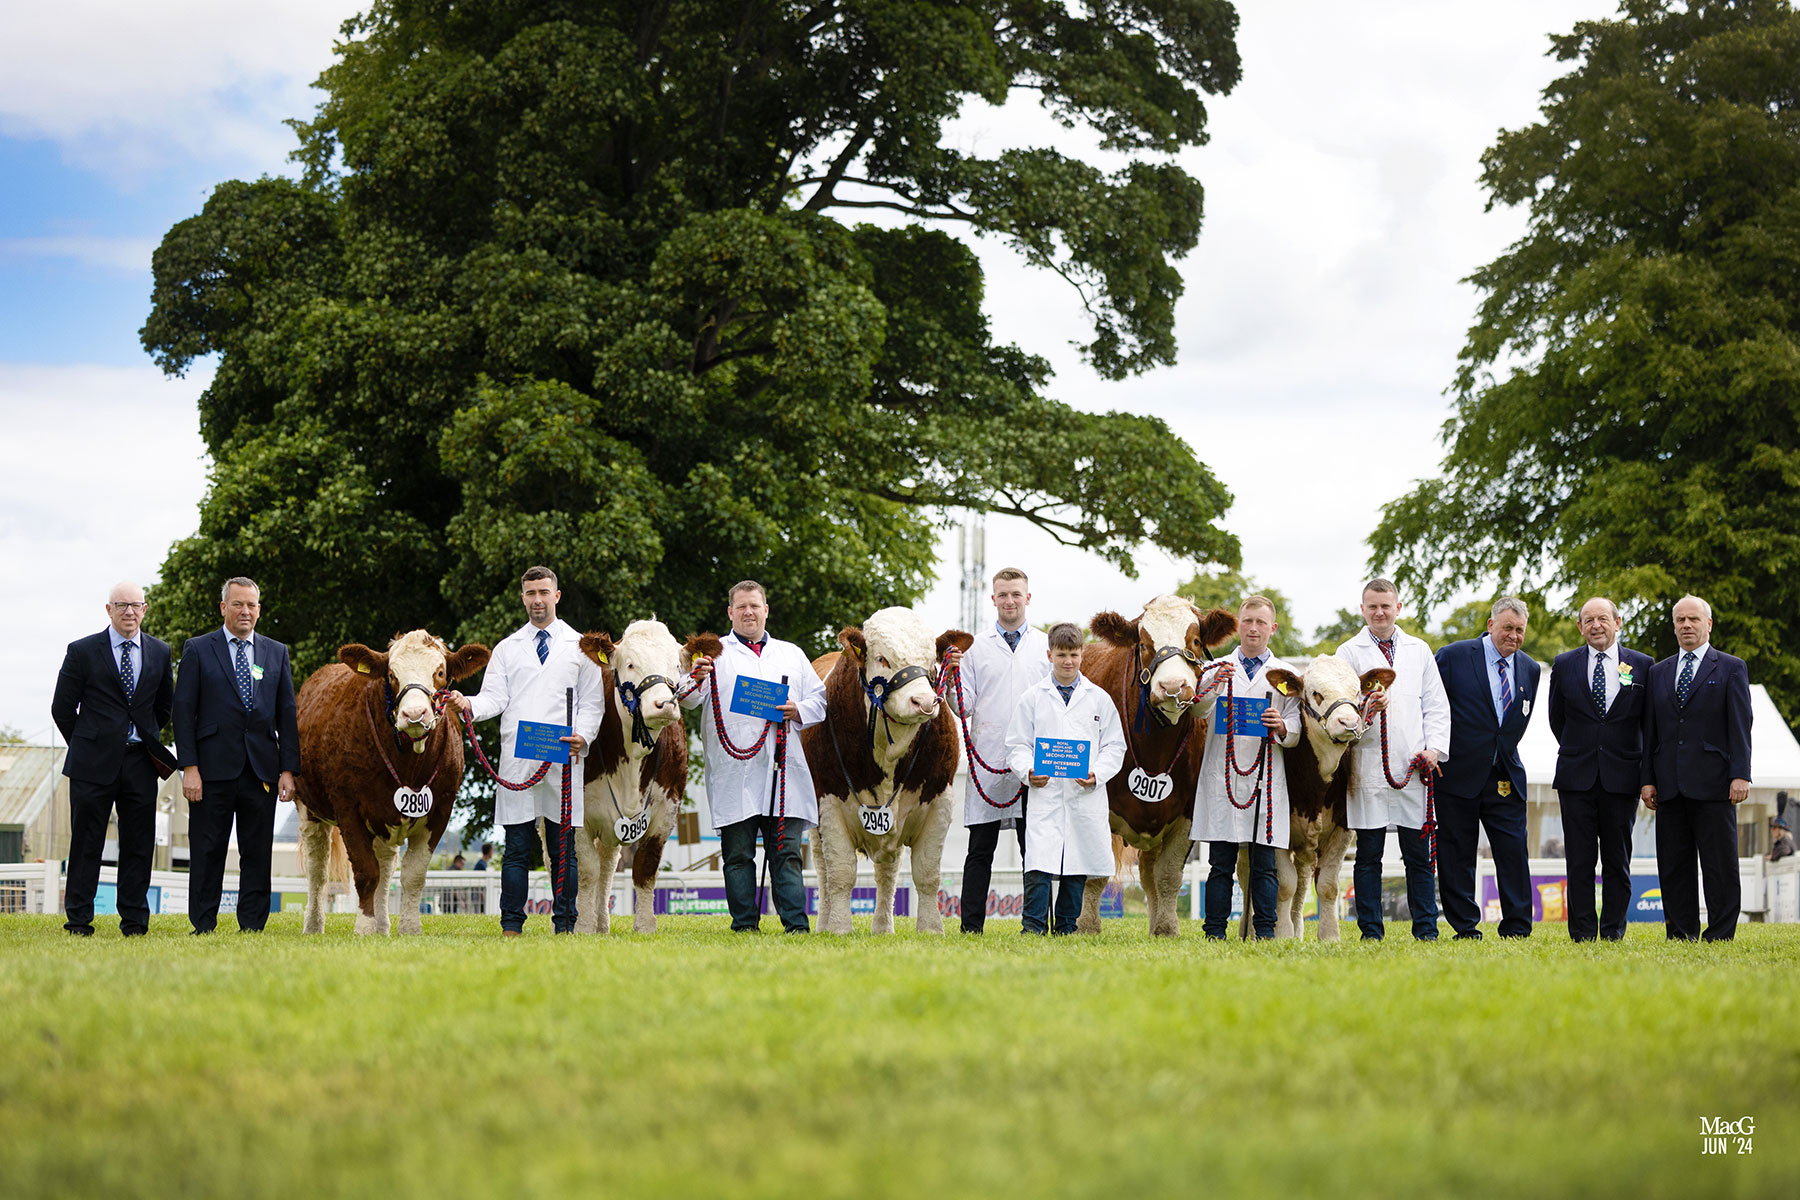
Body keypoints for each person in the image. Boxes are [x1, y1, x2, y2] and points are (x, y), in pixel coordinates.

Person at [446, 567, 605, 936]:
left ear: (556, 596)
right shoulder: (507, 648)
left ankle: (565, 925)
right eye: (530, 593)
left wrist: (584, 735)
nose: (537, 600)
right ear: (522, 598)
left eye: (543, 592)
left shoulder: (580, 647)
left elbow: (593, 703)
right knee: (516, 848)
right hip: (518, 762)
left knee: (563, 848)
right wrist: (467, 703)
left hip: (563, 759)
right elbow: (494, 698)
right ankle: (511, 926)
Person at [681, 580, 827, 933]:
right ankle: (744, 925)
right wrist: (695, 676)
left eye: (755, 606)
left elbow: (820, 700)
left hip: (784, 770)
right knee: (737, 856)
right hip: (736, 772)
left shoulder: (791, 654)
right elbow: (684, 698)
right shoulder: (714, 655)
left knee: (787, 854)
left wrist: (798, 708)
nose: (749, 612)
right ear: (730, 612)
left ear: (766, 610)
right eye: (741, 606)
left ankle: (796, 926)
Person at [49, 581, 178, 937]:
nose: (129, 612)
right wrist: (88, 743)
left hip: (140, 763)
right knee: (86, 842)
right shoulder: (83, 651)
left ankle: (134, 922)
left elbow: (163, 706)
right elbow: (62, 707)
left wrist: (143, 736)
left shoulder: (159, 652)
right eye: (121, 605)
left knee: (138, 844)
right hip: (92, 764)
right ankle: (78, 921)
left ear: (145, 609)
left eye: (136, 605)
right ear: (108, 610)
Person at [172, 576, 300, 934]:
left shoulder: (276, 652)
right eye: (238, 604)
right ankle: (203, 924)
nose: (245, 611)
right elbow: (183, 712)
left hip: (261, 770)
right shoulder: (198, 649)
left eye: (252, 605)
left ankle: (252, 926)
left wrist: (288, 769)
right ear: (223, 607)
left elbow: (286, 714)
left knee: (257, 853)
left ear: (259, 610)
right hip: (210, 771)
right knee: (207, 851)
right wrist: (189, 768)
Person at [1339, 579, 1449, 941]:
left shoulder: (1419, 650)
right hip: (1368, 765)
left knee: (1417, 856)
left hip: (1413, 766)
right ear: (1362, 609)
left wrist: (1434, 749)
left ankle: (1426, 930)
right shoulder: (1348, 653)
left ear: (1398, 607)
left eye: (1385, 605)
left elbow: (1435, 705)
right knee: (1368, 854)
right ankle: (1371, 931)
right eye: (1372, 606)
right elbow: (1338, 710)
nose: (1379, 612)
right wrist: (1366, 708)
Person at [941, 567, 1049, 934]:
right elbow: (963, 706)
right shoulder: (974, 648)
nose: (1010, 601)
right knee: (980, 850)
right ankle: (971, 927)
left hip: (1036, 762)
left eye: (1016, 594)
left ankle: (1035, 924)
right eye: (1003, 595)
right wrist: (951, 677)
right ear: (993, 599)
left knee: (1033, 849)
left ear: (1028, 598)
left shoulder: (1045, 646)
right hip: (988, 759)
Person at [1641, 595, 1753, 942]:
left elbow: (1740, 724)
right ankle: (1680, 932)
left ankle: (1720, 933)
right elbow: (1651, 730)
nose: (1686, 625)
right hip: (1669, 785)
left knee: (1719, 865)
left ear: (1709, 624)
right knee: (1674, 865)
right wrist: (1647, 780)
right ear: (1673, 626)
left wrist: (1741, 773)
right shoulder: (1658, 672)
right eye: (1680, 620)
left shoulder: (1731, 667)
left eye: (1693, 619)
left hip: (1716, 783)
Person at [1005, 622, 1126, 936]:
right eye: (1061, 655)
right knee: (1039, 863)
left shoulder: (1099, 699)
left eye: (1073, 654)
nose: (1068, 661)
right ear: (1049, 655)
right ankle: (1032, 926)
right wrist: (1029, 770)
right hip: (1045, 793)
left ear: (1083, 654)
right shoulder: (1032, 698)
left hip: (1084, 794)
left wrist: (1096, 773)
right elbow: (1017, 744)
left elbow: (1115, 745)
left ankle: (1066, 927)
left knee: (1077, 861)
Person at [1192, 596, 1301, 940]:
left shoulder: (1288, 675)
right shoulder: (1214, 668)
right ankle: (1214, 933)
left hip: (1265, 778)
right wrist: (1213, 686)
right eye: (1248, 621)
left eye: (1261, 622)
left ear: (1273, 628)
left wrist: (1281, 725)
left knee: (1265, 865)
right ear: (1239, 624)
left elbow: (1297, 728)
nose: (1253, 628)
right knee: (1219, 864)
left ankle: (1265, 932)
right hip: (1221, 777)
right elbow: (1197, 711)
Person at [1547, 597, 1654, 941]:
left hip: (1622, 777)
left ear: (1618, 622)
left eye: (1603, 619)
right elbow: (1556, 719)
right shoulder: (1564, 664)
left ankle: (1612, 931)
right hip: (1576, 777)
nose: (1596, 625)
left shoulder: (1643, 665)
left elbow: (1648, 724)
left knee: (1617, 861)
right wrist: (1583, 749)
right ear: (1580, 626)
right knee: (1579, 861)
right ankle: (1581, 932)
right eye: (1588, 620)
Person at [1435, 597, 1541, 939]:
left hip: (1505, 775)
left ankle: (1517, 927)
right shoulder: (1452, 657)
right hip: (1458, 774)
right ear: (1490, 625)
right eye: (1507, 628)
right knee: (1457, 853)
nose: (1513, 635)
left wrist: (1501, 750)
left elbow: (1518, 719)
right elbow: (1434, 709)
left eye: (1520, 630)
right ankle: (1465, 927)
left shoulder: (1531, 668)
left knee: (1513, 853)